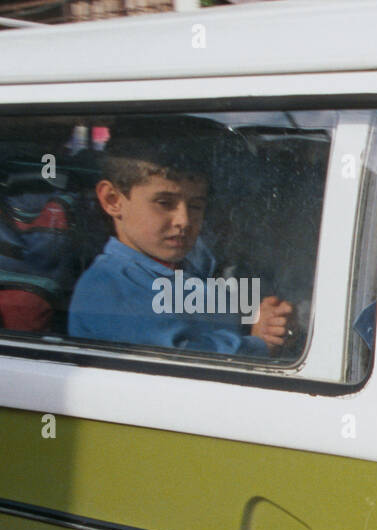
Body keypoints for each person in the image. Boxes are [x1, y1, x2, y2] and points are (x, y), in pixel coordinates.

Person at [68, 121, 292, 355]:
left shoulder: (188, 268)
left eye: (195, 206)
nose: (183, 220)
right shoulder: (107, 287)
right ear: (113, 200)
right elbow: (183, 361)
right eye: (164, 203)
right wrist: (257, 343)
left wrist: (266, 320)